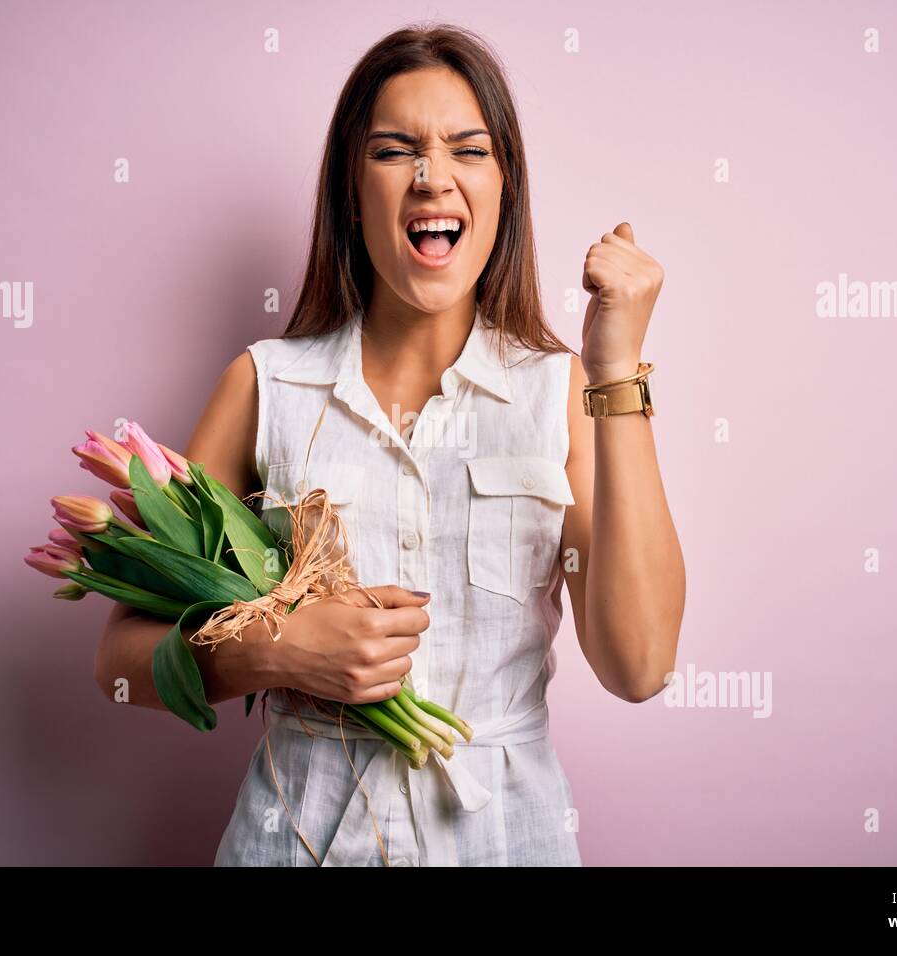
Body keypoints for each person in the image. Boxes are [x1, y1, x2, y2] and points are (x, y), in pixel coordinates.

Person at [93, 23, 685, 867]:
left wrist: (615, 367)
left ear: (504, 189)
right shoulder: (264, 386)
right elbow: (119, 661)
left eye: (468, 150)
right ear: (351, 190)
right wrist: (279, 648)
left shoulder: (565, 394)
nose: (430, 177)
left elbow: (641, 666)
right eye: (395, 150)